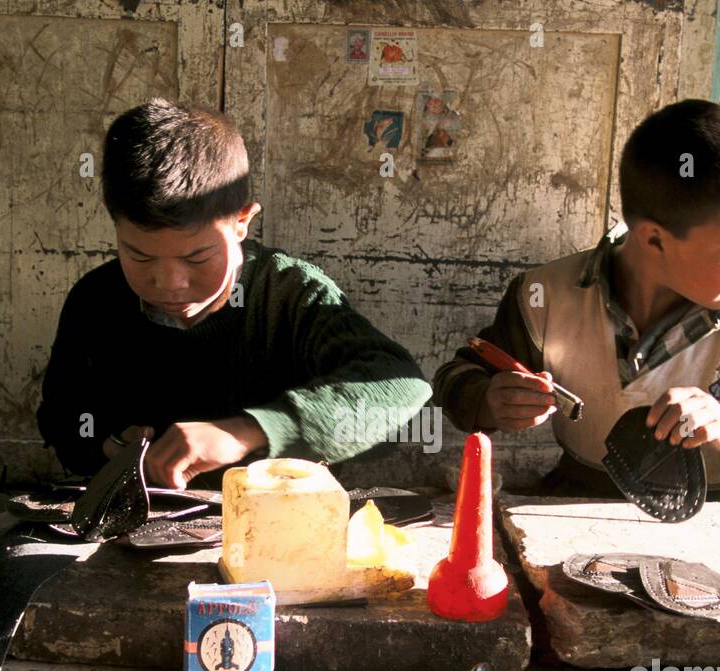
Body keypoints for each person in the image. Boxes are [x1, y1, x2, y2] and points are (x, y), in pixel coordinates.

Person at [433, 99, 720, 501]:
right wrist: (489, 400)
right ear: (654, 238)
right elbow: (456, 377)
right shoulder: (546, 296)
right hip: (578, 511)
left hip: (717, 524)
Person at [37, 100, 431, 488]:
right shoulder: (95, 300)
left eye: (196, 257)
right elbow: (62, 419)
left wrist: (246, 432)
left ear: (242, 221)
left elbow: (400, 388)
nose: (169, 282)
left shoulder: (290, 296)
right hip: (133, 529)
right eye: (139, 255)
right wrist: (113, 447)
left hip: (275, 528)